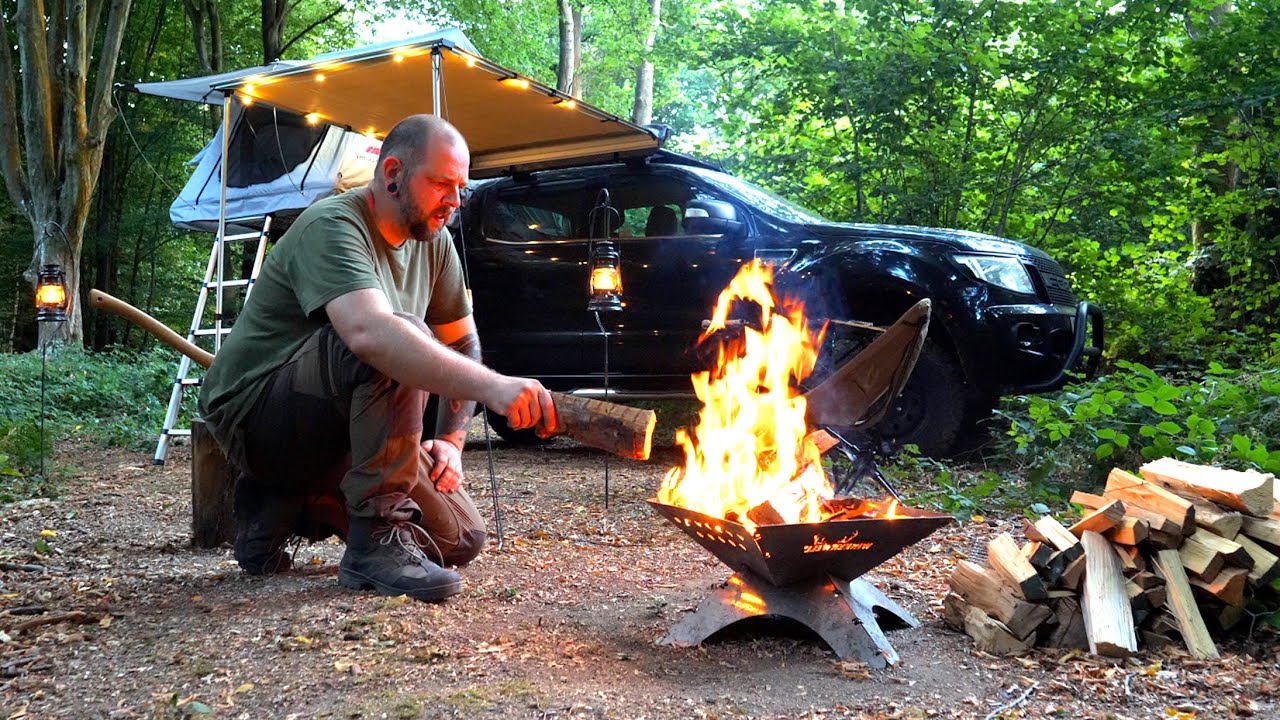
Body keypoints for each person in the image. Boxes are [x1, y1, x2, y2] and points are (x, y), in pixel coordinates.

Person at [197, 114, 556, 602]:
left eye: (461, 188)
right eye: (441, 184)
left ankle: (290, 503)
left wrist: (450, 439)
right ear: (392, 173)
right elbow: (369, 334)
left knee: (459, 538)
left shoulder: (436, 243)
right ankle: (372, 542)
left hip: (345, 429)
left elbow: (462, 342)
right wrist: (495, 388)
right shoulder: (332, 225)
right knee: (399, 330)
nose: (454, 201)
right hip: (258, 421)